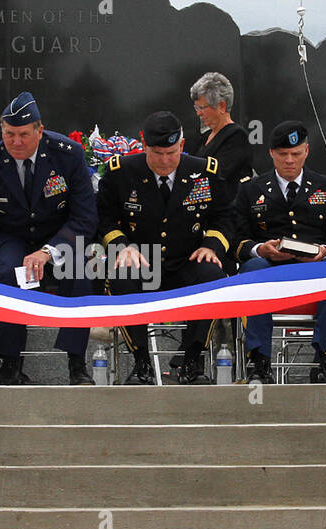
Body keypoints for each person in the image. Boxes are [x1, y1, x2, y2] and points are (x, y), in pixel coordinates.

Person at [0, 91, 97, 385]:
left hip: (59, 237)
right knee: (9, 273)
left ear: (39, 130)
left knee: (80, 272)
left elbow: (85, 217)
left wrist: (49, 251)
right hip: (12, 238)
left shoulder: (68, 154)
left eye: (23, 134)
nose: (16, 142)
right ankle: (10, 365)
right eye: (9, 134)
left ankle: (76, 364)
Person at [97, 110, 234, 384]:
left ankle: (191, 361)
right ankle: (141, 363)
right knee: (122, 275)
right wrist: (122, 245)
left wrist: (211, 246)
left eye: (171, 153)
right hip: (142, 262)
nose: (164, 160)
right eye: (157, 153)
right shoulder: (121, 172)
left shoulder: (204, 172)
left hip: (186, 261)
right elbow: (103, 218)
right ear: (144, 146)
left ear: (181, 145)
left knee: (213, 278)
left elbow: (226, 217)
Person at [233, 122, 326, 384]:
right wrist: (260, 249)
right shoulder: (250, 189)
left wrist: (323, 251)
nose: (289, 160)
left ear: (306, 151)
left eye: (296, 154)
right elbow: (237, 241)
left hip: (315, 267)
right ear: (271, 153)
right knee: (251, 271)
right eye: (283, 154)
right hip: (270, 266)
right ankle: (259, 361)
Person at [189, 72, 254, 189]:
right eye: (196, 108)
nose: (198, 113)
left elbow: (218, 175)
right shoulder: (204, 137)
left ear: (222, 106)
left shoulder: (236, 137)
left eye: (202, 107)